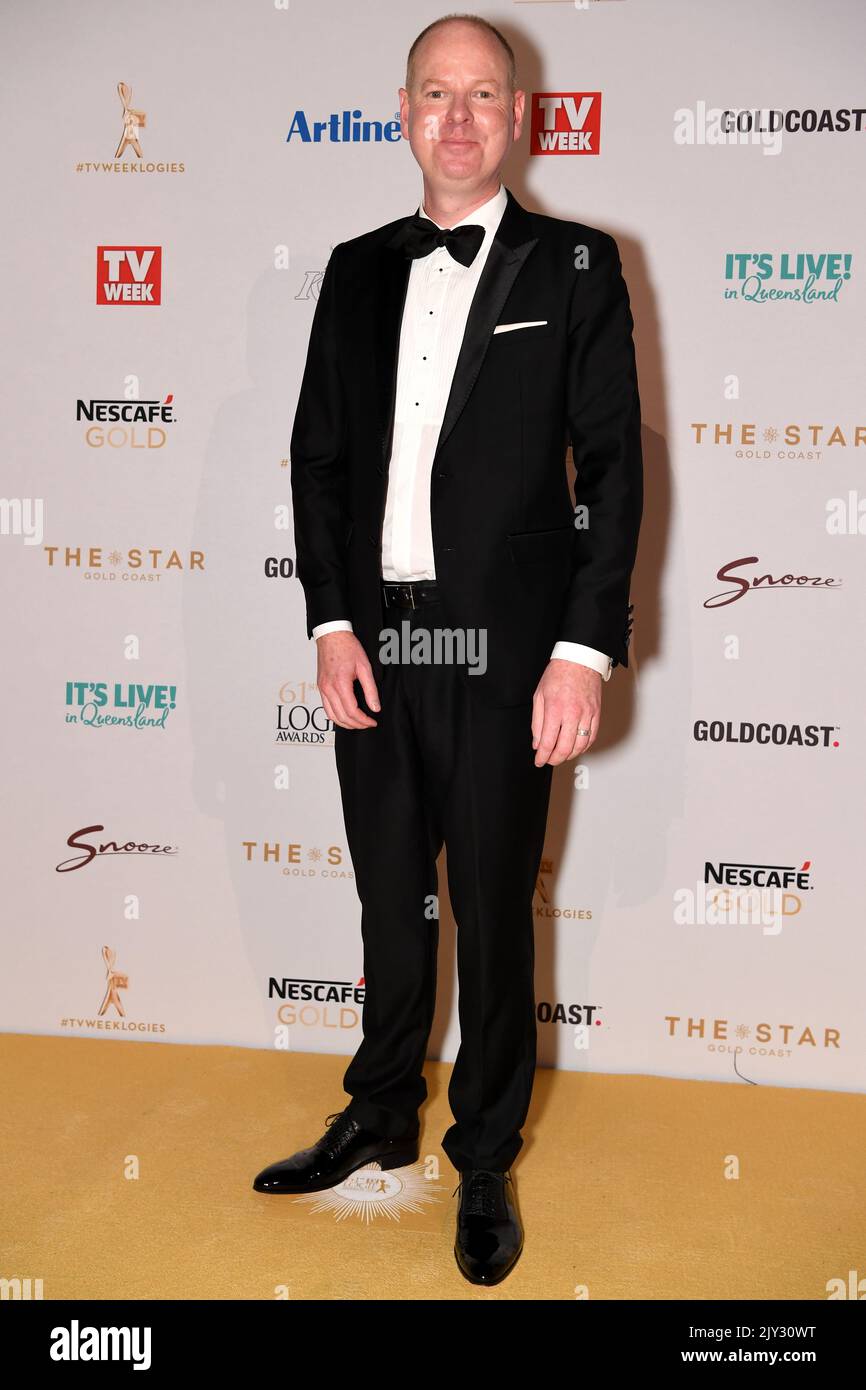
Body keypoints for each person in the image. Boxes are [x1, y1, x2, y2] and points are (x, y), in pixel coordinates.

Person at [253, 12, 643, 1287]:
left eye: (485, 94)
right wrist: (326, 623)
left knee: (486, 902)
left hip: (507, 651)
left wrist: (582, 648)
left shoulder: (578, 264)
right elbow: (315, 460)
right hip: (376, 646)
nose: (459, 116)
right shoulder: (355, 267)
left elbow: (617, 468)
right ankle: (377, 1113)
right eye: (436, 92)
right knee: (387, 894)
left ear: (520, 115)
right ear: (404, 109)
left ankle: (480, 1159)